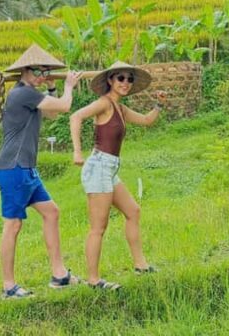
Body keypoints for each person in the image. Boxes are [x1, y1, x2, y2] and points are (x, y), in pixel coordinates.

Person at [0, 44, 83, 298]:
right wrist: (67, 87)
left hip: (27, 170)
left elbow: (52, 114)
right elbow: (65, 107)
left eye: (45, 72)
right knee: (13, 225)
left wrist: (54, 88)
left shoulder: (33, 94)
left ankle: (59, 274)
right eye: (37, 71)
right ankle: (9, 287)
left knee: (52, 212)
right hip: (13, 169)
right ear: (24, 71)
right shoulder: (22, 94)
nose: (41, 76)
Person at [70, 61, 166, 290]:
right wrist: (76, 151)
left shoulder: (120, 108)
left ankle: (141, 265)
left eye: (129, 79)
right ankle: (93, 280)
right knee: (98, 227)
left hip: (110, 168)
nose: (125, 83)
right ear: (110, 80)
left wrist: (159, 105)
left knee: (133, 211)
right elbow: (76, 116)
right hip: (99, 166)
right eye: (120, 78)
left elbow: (146, 120)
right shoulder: (103, 103)